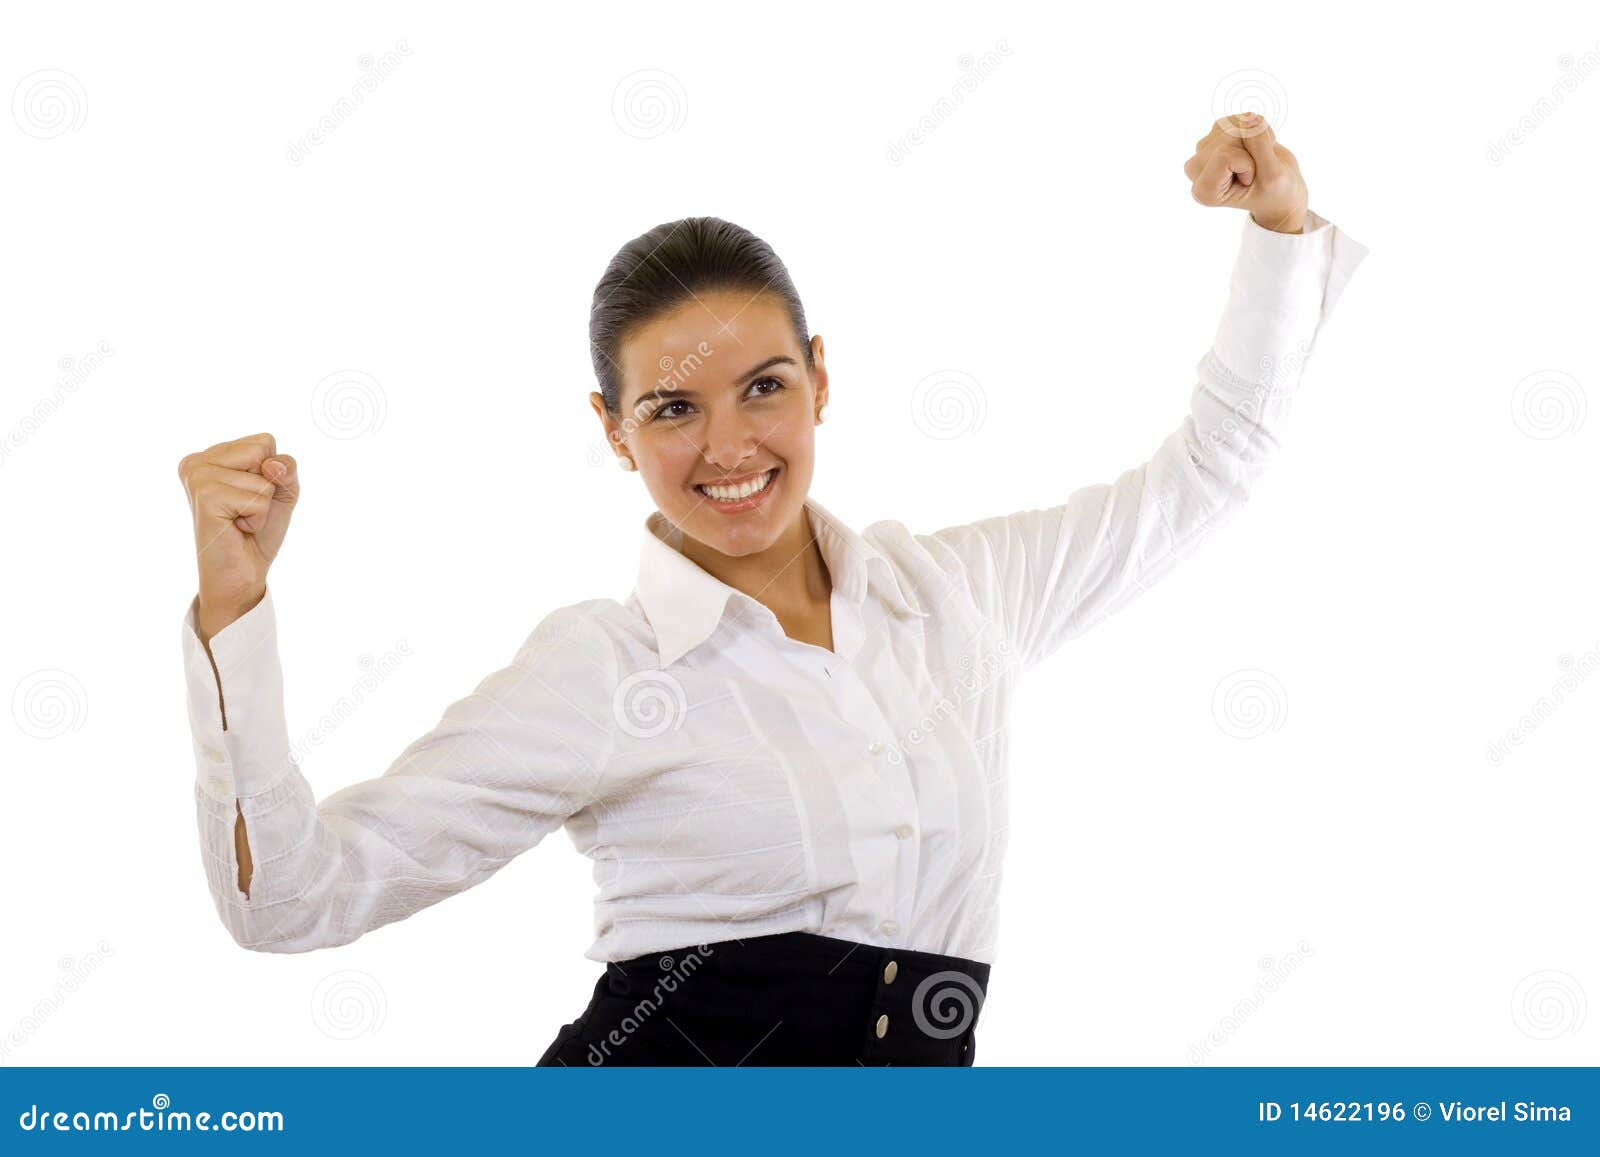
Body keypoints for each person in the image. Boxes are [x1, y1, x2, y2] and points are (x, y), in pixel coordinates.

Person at [175, 112, 1367, 1066]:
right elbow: (291, 900)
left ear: (821, 379)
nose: (730, 444)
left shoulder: (957, 596)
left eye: (765, 385)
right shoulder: (601, 669)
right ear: (612, 430)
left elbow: (1211, 470)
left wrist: (1277, 228)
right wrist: (234, 607)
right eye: (672, 408)